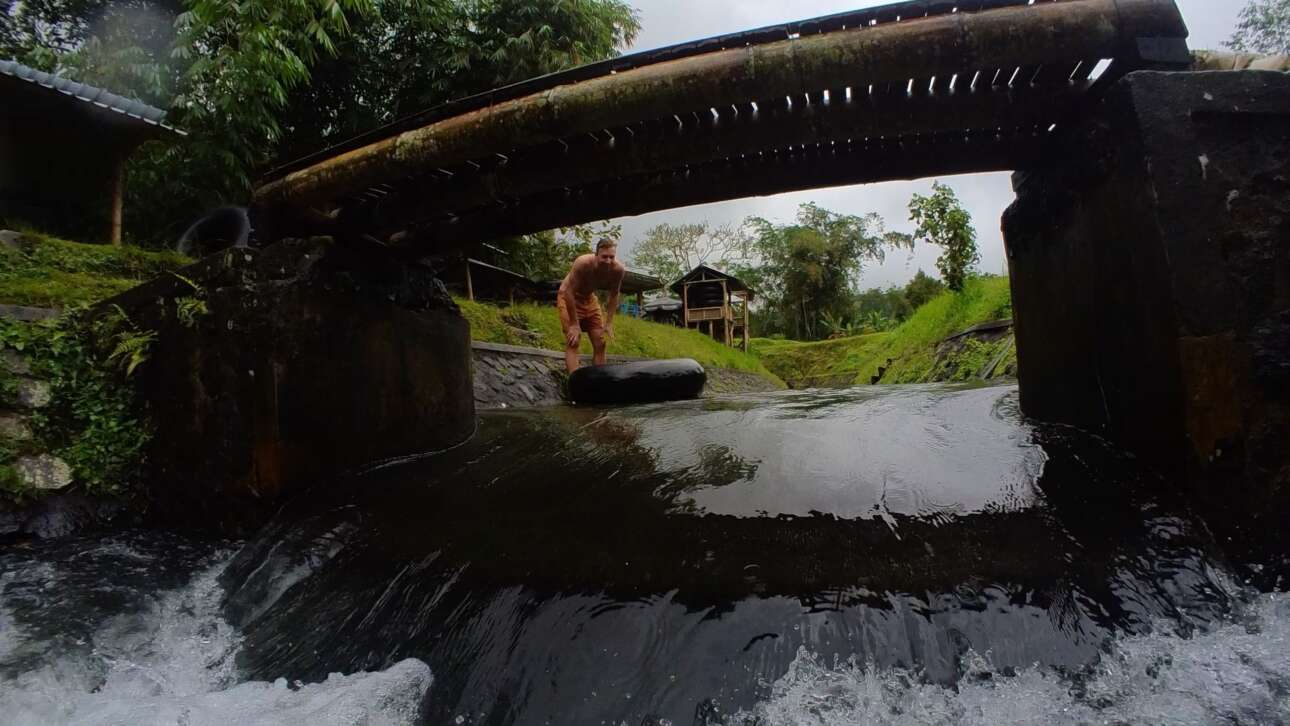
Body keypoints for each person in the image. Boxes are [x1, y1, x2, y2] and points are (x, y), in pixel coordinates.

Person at [558, 238, 626, 373]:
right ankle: (574, 382)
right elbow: (568, 292)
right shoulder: (583, 263)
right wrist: (574, 324)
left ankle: (598, 381)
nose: (608, 261)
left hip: (589, 299)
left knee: (600, 343)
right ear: (596, 255)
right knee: (574, 340)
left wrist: (609, 323)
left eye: (611, 257)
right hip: (569, 297)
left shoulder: (618, 270)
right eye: (604, 257)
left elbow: (614, 294)